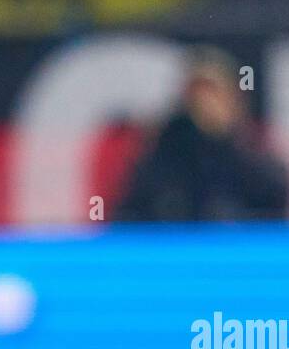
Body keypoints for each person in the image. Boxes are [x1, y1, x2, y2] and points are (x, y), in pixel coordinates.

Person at [116, 48, 287, 222]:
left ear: (232, 98)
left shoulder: (250, 144)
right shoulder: (166, 148)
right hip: (175, 243)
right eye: (199, 93)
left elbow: (274, 197)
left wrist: (224, 135)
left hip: (235, 245)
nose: (206, 102)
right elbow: (132, 210)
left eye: (214, 92)